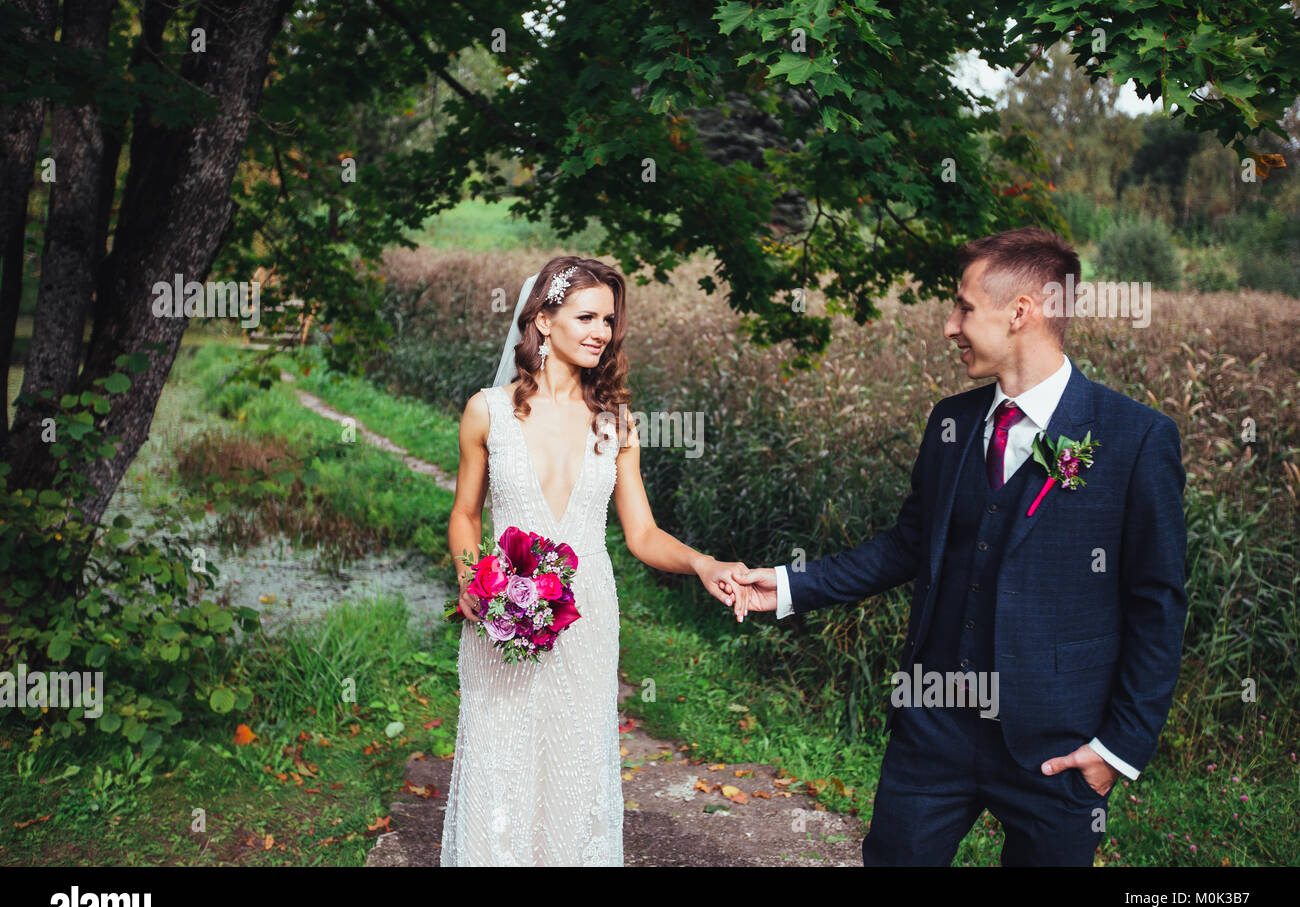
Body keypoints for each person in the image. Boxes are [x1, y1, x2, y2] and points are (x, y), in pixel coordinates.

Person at [730, 227, 1187, 866]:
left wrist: (1117, 749)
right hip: (934, 726)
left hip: (1059, 746)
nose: (950, 326)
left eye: (964, 307)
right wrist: (788, 584)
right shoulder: (952, 422)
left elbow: (1157, 603)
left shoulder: (1136, 438)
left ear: (1021, 311)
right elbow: (907, 545)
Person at [440, 256, 749, 866]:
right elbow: (465, 515)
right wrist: (470, 576)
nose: (602, 331)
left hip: (587, 617)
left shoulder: (615, 423)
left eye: (609, 320)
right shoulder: (488, 411)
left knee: (574, 762)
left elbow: (643, 533)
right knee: (500, 756)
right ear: (543, 319)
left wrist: (705, 563)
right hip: (502, 616)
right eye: (586, 316)